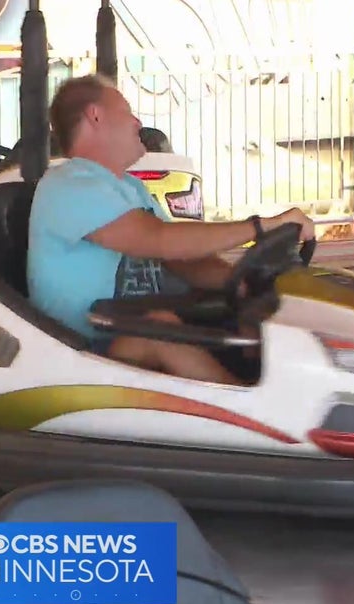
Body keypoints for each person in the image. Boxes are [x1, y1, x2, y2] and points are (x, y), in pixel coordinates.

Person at [26, 74, 315, 385]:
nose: (137, 122)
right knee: (160, 331)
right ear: (95, 115)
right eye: (127, 111)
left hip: (124, 334)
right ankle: (257, 419)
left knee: (236, 327)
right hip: (83, 357)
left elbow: (178, 258)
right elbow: (160, 240)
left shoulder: (128, 187)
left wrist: (241, 284)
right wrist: (261, 226)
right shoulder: (69, 185)